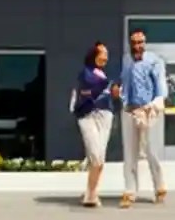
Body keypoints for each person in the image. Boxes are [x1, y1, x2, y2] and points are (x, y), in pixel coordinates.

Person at [115, 27, 167, 208]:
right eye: (134, 43)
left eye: (140, 42)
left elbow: (161, 86)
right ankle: (130, 192)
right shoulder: (126, 60)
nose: (137, 46)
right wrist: (120, 95)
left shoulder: (154, 61)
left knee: (151, 151)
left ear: (145, 43)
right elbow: (124, 83)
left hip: (149, 111)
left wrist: (154, 105)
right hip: (130, 111)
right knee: (130, 153)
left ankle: (159, 187)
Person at [72, 41, 117, 208]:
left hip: (105, 116)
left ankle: (91, 192)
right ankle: (90, 195)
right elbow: (89, 88)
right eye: (102, 53)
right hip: (88, 116)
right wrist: (109, 85)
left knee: (100, 159)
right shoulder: (86, 73)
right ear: (94, 56)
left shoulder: (104, 75)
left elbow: (110, 93)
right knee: (96, 156)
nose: (106, 56)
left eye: (106, 53)